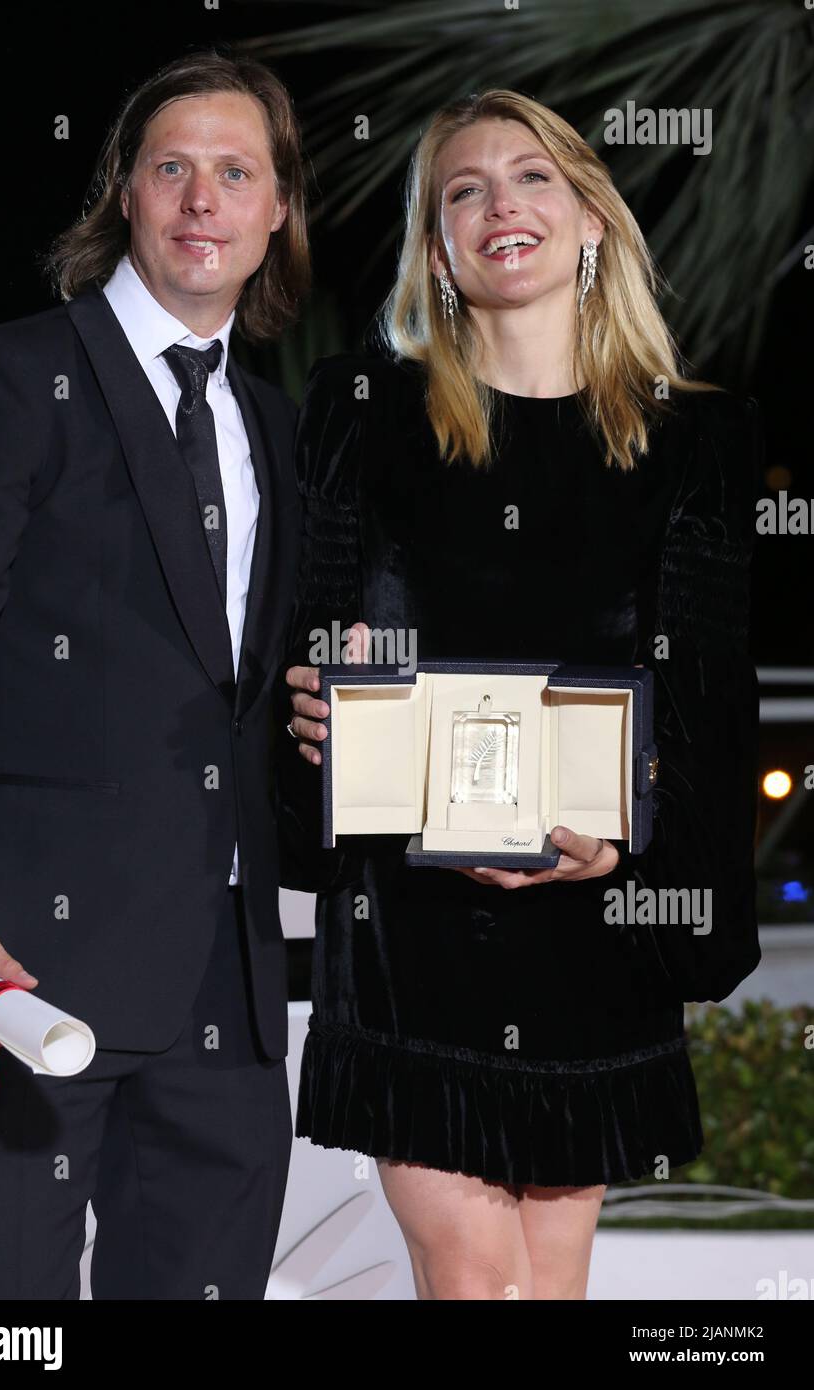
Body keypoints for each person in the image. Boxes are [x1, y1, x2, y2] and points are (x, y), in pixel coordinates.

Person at [277, 89, 763, 1301]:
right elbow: (312, 643)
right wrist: (311, 709)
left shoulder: (688, 444)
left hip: (593, 942)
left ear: (593, 217)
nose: (503, 206)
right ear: (435, 247)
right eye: (465, 189)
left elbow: (707, 705)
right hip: (412, 942)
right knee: (478, 1282)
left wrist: (630, 863)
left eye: (534, 178)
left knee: (550, 1288)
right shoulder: (364, 418)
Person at [0, 48, 308, 1300]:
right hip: (30, 967)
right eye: (172, 168)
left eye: (236, 172)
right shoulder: (5, 378)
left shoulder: (275, 421)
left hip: (231, 991)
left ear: (276, 209)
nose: (204, 199)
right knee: (6, 1325)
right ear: (124, 194)